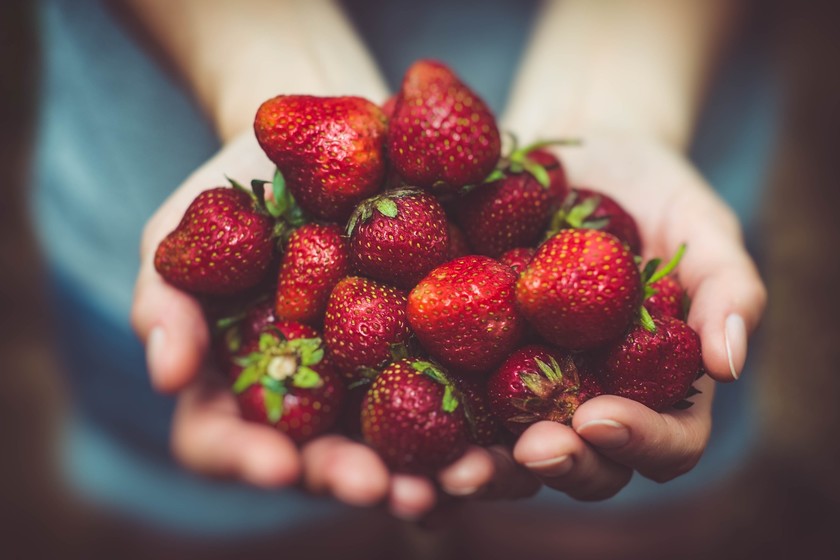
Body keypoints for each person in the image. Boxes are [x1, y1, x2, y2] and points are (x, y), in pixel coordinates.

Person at [33, 0, 767, 536]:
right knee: (223, 532)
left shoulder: (514, 266)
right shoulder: (366, 257)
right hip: (147, 156)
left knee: (602, 530)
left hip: (669, 84)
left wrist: (620, 104)